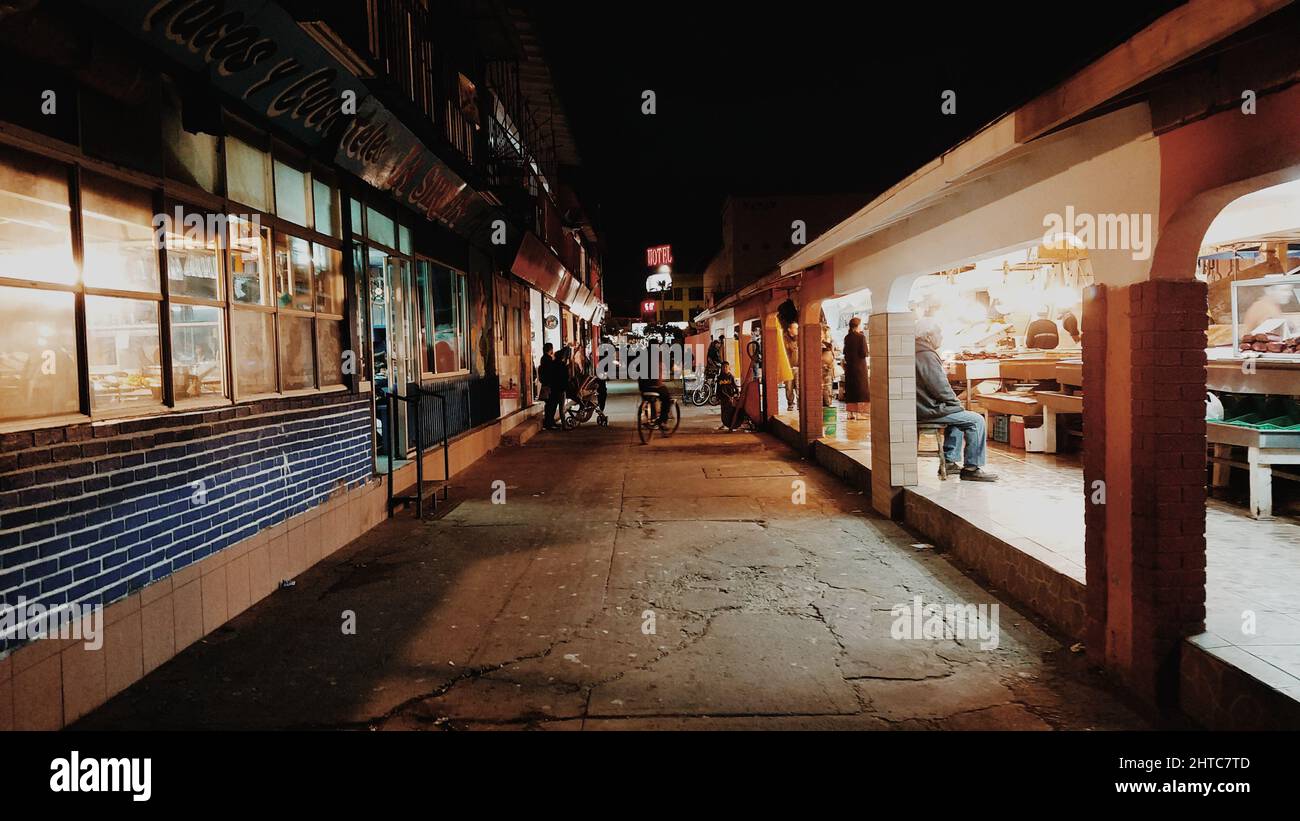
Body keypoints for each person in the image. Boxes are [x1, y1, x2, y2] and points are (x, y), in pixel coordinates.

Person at [915, 320, 998, 481]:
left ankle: (949, 461)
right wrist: (955, 403)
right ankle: (972, 467)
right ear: (928, 337)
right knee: (976, 420)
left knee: (958, 417)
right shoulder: (926, 355)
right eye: (938, 334)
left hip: (921, 406)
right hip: (928, 409)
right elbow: (940, 387)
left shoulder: (918, 352)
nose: (941, 337)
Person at [842, 316, 870, 420]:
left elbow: (845, 352)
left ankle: (851, 413)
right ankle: (861, 414)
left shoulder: (847, 337)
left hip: (850, 368)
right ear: (858, 325)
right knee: (862, 390)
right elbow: (864, 353)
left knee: (851, 390)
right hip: (860, 368)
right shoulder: (861, 337)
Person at [539, 343, 566, 429]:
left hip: (546, 384)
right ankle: (549, 423)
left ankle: (550, 422)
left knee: (550, 405)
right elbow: (552, 373)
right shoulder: (548, 360)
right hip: (550, 386)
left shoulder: (543, 359)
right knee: (551, 405)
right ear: (550, 349)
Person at [783, 321, 799, 412]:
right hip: (788, 367)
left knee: (798, 386)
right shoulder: (785, 339)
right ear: (789, 329)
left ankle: (799, 403)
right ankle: (790, 403)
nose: (797, 330)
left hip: (798, 366)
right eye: (795, 328)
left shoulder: (799, 338)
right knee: (789, 387)